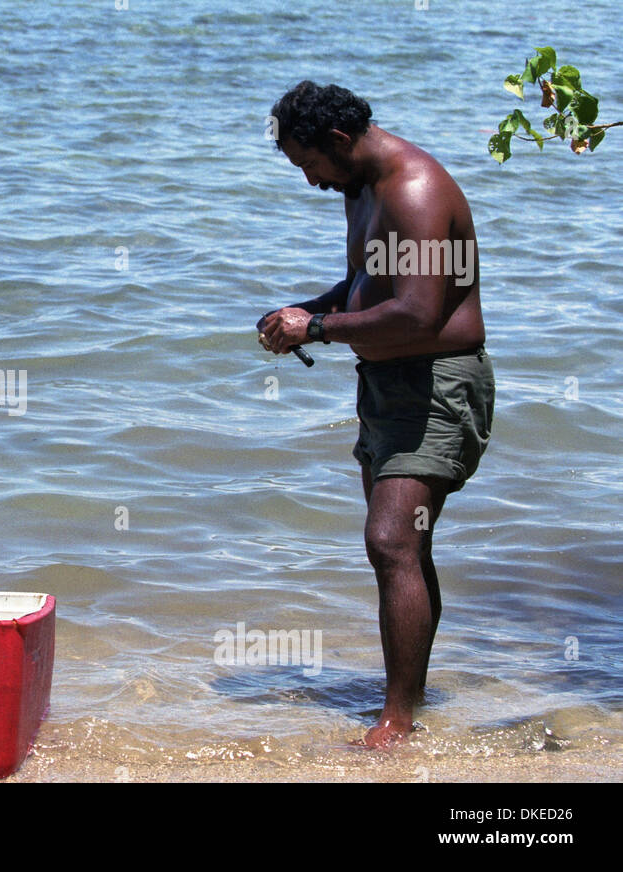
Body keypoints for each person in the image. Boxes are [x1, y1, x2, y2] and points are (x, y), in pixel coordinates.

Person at [258, 81, 495, 748]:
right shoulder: (361, 188)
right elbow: (367, 282)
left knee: (391, 541)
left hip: (436, 385)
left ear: (337, 141)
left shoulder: (413, 189)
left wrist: (321, 328)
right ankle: (409, 697)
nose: (310, 182)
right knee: (404, 547)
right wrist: (301, 312)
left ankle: (396, 721)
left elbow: (420, 311)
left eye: (310, 165)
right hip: (388, 383)